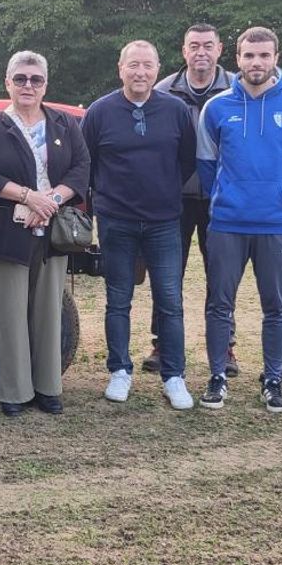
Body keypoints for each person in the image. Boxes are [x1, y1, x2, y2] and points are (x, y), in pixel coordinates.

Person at [196, 27, 282, 414]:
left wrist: (281, 199)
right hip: (228, 225)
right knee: (220, 304)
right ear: (237, 58)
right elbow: (206, 166)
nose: (256, 63)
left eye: (264, 56)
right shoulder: (216, 108)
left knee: (276, 307)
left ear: (276, 58)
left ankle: (272, 380)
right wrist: (231, 199)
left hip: (277, 225)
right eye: (250, 56)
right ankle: (217, 378)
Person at [0, 51, 90, 417]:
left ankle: (48, 388)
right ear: (7, 82)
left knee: (49, 312)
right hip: (9, 230)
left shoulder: (65, 125)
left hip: (53, 233)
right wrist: (27, 196)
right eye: (20, 78)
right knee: (9, 313)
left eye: (35, 80)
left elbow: (82, 168)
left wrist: (52, 198)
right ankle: (16, 391)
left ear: (45, 85)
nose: (28, 85)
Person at [81, 40, 196, 408]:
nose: (140, 73)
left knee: (169, 301)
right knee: (118, 300)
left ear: (158, 68)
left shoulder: (176, 110)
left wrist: (162, 191)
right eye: (133, 65)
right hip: (117, 221)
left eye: (147, 65)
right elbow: (87, 165)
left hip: (164, 222)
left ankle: (174, 376)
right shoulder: (100, 112)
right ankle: (119, 371)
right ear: (120, 68)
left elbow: (187, 160)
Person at [146, 24, 240, 377]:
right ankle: (162, 343)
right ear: (183, 51)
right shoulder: (163, 90)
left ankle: (225, 346)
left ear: (219, 50)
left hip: (223, 200)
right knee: (168, 275)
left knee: (222, 277)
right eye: (194, 46)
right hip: (175, 200)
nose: (201, 52)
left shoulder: (236, 89)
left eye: (208, 46)